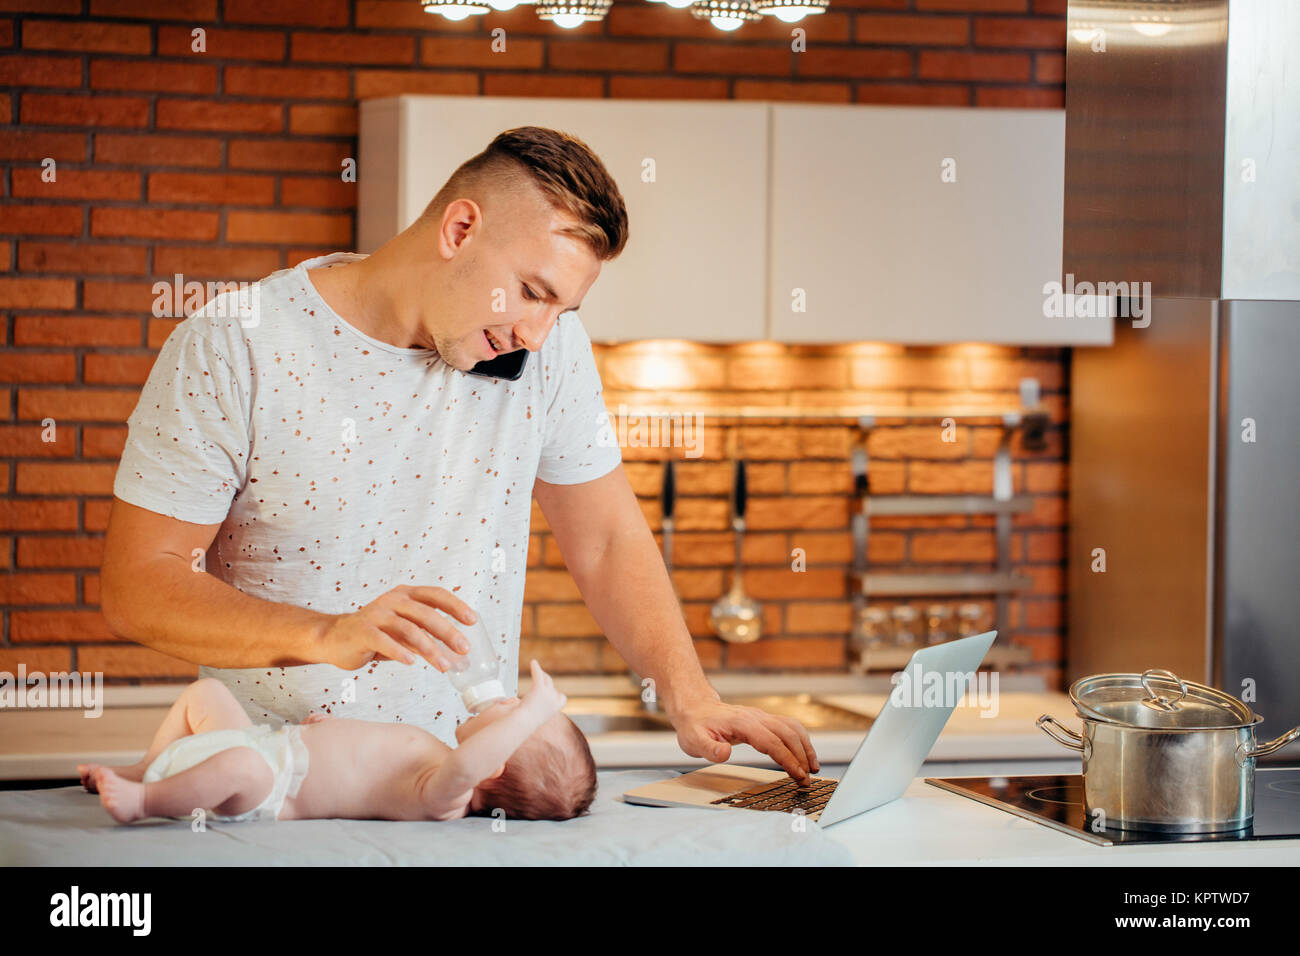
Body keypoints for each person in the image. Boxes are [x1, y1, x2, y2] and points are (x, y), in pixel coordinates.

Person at [101, 125, 819, 784]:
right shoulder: (237, 345)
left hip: (467, 797)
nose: (538, 334)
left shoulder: (548, 353)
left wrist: (690, 696)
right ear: (460, 229)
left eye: (562, 310)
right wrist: (325, 634)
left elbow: (605, 539)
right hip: (273, 792)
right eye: (532, 293)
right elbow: (140, 584)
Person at [82, 661, 592, 824]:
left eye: (515, 714)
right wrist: (322, 730)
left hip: (270, 786)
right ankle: (143, 768)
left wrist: (537, 709)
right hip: (269, 742)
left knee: (238, 765)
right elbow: (360, 755)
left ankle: (145, 800)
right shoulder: (434, 754)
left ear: (494, 766)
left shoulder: (446, 797)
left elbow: (466, 767)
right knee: (206, 694)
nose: (507, 702)